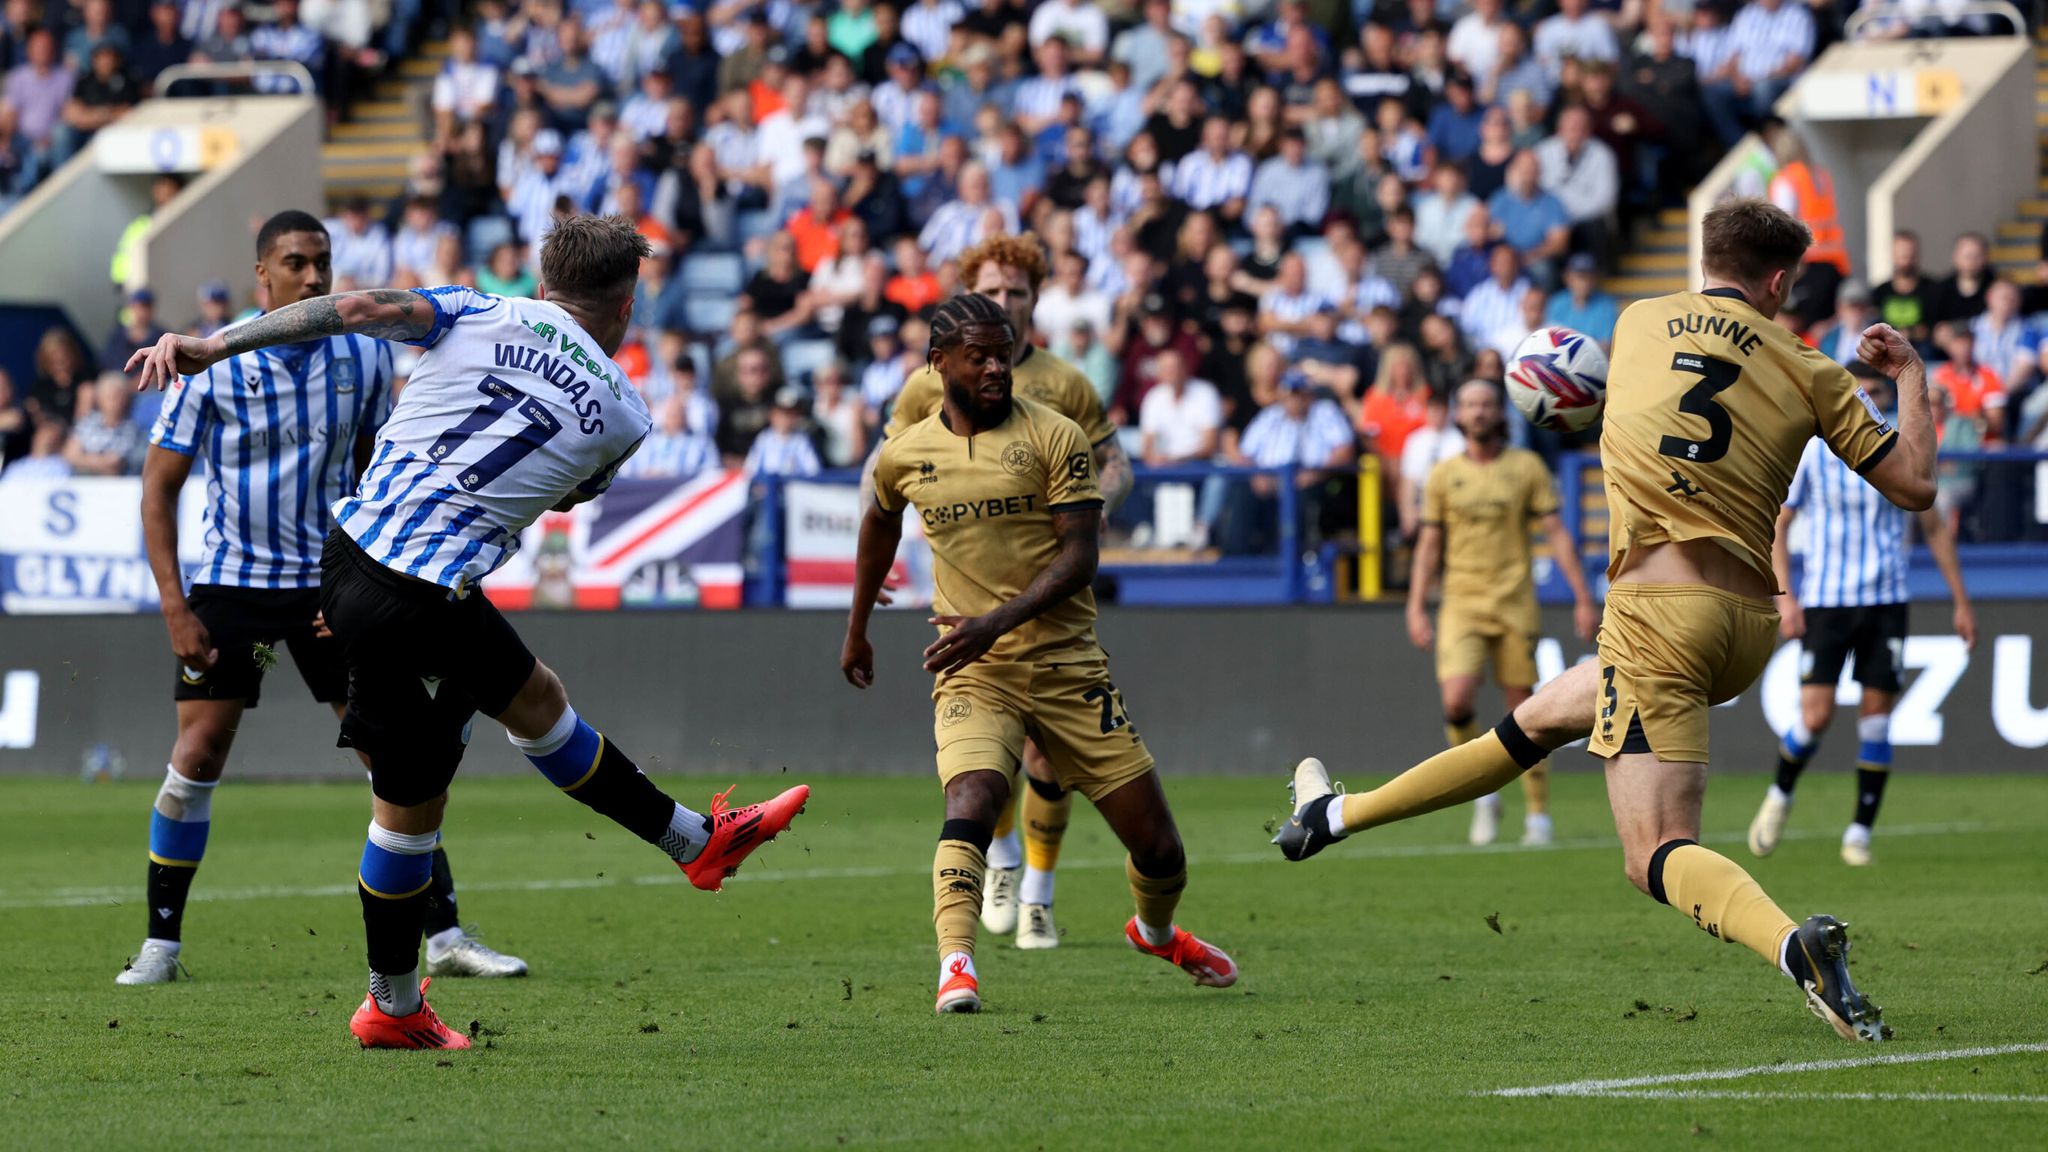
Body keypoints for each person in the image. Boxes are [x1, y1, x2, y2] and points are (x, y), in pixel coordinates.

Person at [128, 214, 810, 1049]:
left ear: (542, 277)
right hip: (416, 593)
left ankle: (694, 843)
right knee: (409, 810)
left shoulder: (470, 308)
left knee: (534, 700)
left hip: (350, 561)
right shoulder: (627, 415)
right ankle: (393, 1005)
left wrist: (214, 344)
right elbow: (566, 493)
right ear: (628, 303)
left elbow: (351, 311)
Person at [1273, 199, 1938, 1044]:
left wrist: (1563, 400)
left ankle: (1792, 947)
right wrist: (1911, 374)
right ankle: (1333, 817)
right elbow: (1916, 483)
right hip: (1746, 621)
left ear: (1704, 261)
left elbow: (1576, 393)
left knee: (1654, 854)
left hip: (1656, 612)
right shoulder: (1811, 365)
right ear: (1778, 281)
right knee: (1540, 717)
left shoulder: (1636, 324)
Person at [114, 210, 521, 987]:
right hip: (233, 585)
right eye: (296, 263)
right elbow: (158, 487)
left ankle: (446, 936)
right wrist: (174, 604)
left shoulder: (364, 358)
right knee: (197, 754)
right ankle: (161, 946)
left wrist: (372, 576)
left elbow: (380, 472)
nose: (314, 277)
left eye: (322, 262)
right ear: (262, 276)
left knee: (392, 755)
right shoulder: (217, 359)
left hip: (335, 586)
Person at [841, 292, 1237, 1013]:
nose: (998, 366)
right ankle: (956, 963)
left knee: (1160, 851)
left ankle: (1154, 931)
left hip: (1067, 665)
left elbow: (1080, 558)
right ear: (939, 366)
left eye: (1005, 352)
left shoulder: (1055, 435)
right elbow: (877, 522)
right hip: (974, 668)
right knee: (972, 796)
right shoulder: (906, 453)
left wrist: (995, 620)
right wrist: (858, 624)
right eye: (980, 356)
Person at [859, 233, 1132, 950]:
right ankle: (1004, 862)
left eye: (1018, 294)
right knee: (989, 751)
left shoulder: (1067, 382)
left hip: (1051, 590)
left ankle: (1037, 891)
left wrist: (1086, 508)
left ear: (1036, 301)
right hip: (969, 592)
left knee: (1050, 757)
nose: (1007, 303)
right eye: (994, 291)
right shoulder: (928, 383)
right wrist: (881, 543)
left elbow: (1116, 464)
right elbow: (888, 469)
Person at [1751, 367, 1975, 868]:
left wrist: (1961, 601)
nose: (1868, 400)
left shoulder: (1899, 449)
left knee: (1876, 722)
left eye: (1875, 392)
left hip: (1887, 600)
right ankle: (1781, 794)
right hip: (1828, 600)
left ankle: (1858, 833)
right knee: (1816, 717)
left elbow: (1936, 528)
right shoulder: (1816, 451)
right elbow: (1780, 523)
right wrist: (1784, 595)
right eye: (1859, 392)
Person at [1406, 379, 1599, 848]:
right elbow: (1429, 543)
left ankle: (1537, 814)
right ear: (1458, 414)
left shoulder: (1526, 467)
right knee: (1456, 702)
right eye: (1469, 403)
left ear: (1501, 414)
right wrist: (1415, 604)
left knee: (1526, 712)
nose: (1477, 412)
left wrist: (1582, 596)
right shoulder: (1443, 474)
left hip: (1515, 601)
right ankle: (1482, 792)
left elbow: (1556, 533)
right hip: (1462, 602)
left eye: (1486, 404)